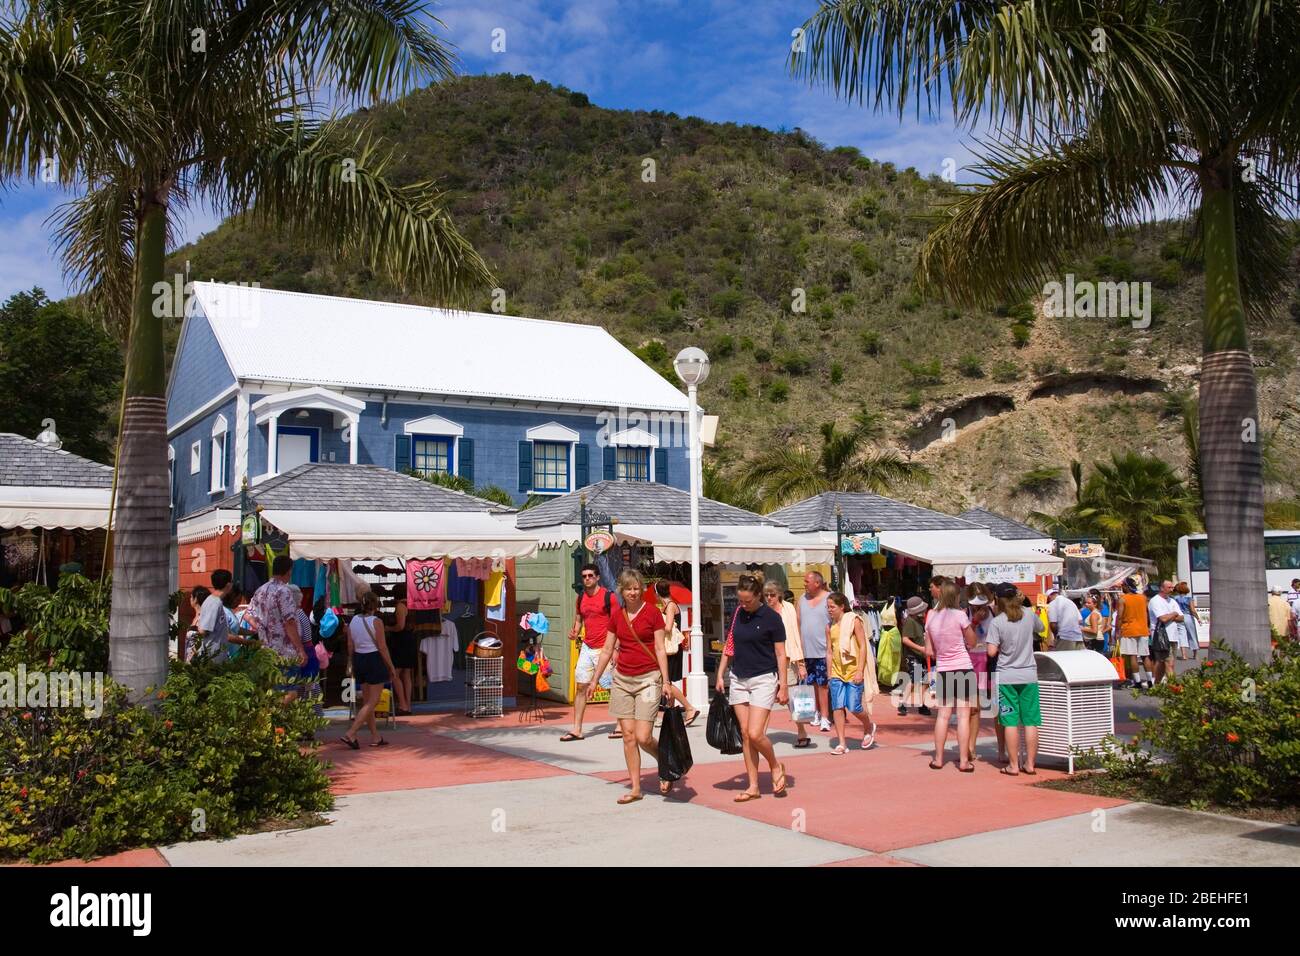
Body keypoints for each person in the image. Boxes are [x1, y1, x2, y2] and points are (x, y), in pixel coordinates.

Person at [588, 570, 674, 802]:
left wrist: (666, 681)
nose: (633, 592)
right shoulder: (617, 615)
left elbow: (659, 648)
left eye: (636, 588)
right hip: (623, 679)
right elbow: (607, 649)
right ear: (622, 591)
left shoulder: (653, 613)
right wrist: (595, 679)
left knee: (643, 736)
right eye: (629, 589)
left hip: (648, 678)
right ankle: (636, 788)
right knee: (628, 736)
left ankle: (665, 761)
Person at [716, 573, 789, 801]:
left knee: (757, 733)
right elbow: (730, 644)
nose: (743, 604)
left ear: (759, 596)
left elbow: (780, 653)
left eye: (748, 601)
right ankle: (753, 786)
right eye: (740, 600)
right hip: (738, 678)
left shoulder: (772, 618)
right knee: (746, 735)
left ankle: (775, 766)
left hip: (764, 678)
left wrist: (783, 685)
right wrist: (720, 674)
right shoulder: (738, 613)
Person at [986, 583, 1046, 775]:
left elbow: (991, 651)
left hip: (1006, 676)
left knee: (1010, 721)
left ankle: (1013, 765)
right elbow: (1042, 627)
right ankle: (1030, 763)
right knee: (1030, 721)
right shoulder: (1029, 614)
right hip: (1029, 674)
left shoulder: (997, 622)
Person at [924, 581, 979, 772]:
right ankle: (964, 761)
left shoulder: (931, 616)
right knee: (963, 716)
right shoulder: (960, 615)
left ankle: (938, 759)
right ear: (955, 596)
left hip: (943, 668)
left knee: (943, 715)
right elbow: (972, 641)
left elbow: (929, 650)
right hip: (963, 667)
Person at [562, 563, 618, 742]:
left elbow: (618, 624)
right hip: (587, 647)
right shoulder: (580, 598)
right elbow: (579, 620)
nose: (587, 579)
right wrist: (574, 632)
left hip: (606, 647)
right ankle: (577, 729)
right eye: (584, 576)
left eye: (590, 575)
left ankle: (620, 724)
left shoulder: (609, 597)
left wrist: (616, 649)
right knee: (581, 687)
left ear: (598, 577)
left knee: (612, 687)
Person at [339, 589, 397, 749]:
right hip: (374, 659)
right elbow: (383, 647)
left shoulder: (353, 621)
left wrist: (351, 661)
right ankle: (351, 733)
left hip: (359, 659)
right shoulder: (376, 622)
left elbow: (350, 644)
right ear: (375, 605)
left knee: (366, 701)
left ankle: (375, 736)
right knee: (373, 701)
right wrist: (391, 666)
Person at [247, 555, 308, 705]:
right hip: (285, 652)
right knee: (291, 691)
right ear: (288, 571)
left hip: (267, 651)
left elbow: (248, 615)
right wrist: (301, 650)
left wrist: (263, 627)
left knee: (274, 690)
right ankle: (272, 715)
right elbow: (289, 622)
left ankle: (273, 722)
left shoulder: (261, 590)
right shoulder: (284, 591)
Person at [825, 592, 875, 753]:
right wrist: (829, 673)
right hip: (836, 672)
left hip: (853, 670)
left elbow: (863, 646)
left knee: (854, 706)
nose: (829, 610)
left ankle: (868, 726)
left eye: (832, 607)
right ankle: (841, 743)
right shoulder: (829, 626)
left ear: (842, 607)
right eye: (828, 607)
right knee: (837, 707)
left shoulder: (854, 621)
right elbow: (829, 651)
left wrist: (860, 670)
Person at [764, 580, 811, 747]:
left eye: (772, 595)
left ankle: (801, 730)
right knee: (765, 698)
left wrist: (801, 663)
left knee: (792, 698)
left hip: (788, 658)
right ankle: (760, 734)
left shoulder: (788, 609)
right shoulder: (762, 613)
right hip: (768, 660)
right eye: (766, 595)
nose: (769, 598)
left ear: (779, 595)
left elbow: (795, 634)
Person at [654, 581, 699, 726]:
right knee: (668, 682)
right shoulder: (669, 605)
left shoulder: (670, 606)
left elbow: (667, 627)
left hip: (671, 649)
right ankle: (670, 714)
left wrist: (654, 625)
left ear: (657, 593)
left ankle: (689, 708)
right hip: (670, 648)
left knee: (668, 683)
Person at [796, 571, 832, 732]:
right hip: (806, 651)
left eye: (806, 581)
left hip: (824, 651)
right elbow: (797, 623)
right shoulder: (802, 600)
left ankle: (825, 717)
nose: (804, 584)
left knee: (823, 685)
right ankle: (815, 712)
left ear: (817, 583)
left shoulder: (829, 599)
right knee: (811, 684)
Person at [964, 589, 994, 766]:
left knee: (977, 707)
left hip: (986, 660)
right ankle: (966, 746)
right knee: (968, 707)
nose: (977, 608)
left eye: (980, 605)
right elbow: (966, 639)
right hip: (969, 660)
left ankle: (972, 746)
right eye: (974, 606)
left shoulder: (993, 613)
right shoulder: (965, 615)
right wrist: (974, 622)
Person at [1114, 578, 1152, 689]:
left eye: (1123, 586)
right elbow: (1147, 613)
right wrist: (1147, 626)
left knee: (1132, 656)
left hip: (1129, 630)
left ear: (1126, 586)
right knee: (1145, 656)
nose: (1122, 588)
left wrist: (1117, 630)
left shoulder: (1123, 599)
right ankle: (1150, 681)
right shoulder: (1143, 598)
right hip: (1143, 629)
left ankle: (1138, 682)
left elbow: (1120, 616)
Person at [898, 595, 931, 717]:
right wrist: (920, 648)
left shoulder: (919, 621)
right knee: (915, 679)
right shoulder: (910, 621)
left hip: (921, 655)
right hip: (913, 655)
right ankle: (903, 703)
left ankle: (921, 704)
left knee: (925, 680)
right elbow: (905, 639)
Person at [1147, 580, 1184, 684]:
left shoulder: (1172, 601)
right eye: (1169, 587)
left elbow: (1181, 618)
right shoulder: (1155, 601)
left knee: (1163, 663)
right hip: (1161, 636)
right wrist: (1174, 613)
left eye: (1172, 587)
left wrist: (1171, 615)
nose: (1172, 589)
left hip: (1173, 635)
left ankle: (1156, 685)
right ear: (1162, 588)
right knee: (1168, 663)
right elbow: (1162, 619)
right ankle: (1174, 687)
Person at [387, 583, 417, 714]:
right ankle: (408, 705)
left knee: (394, 674)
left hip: (401, 641)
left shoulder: (400, 606)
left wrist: (388, 628)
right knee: (406, 674)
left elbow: (400, 626)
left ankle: (403, 704)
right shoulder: (412, 605)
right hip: (410, 640)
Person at [192, 568, 233, 661]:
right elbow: (202, 630)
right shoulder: (214, 603)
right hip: (212, 658)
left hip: (215, 657)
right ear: (228, 585)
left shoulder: (214, 600)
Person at [1046, 586, 1085, 650]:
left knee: (1063, 658)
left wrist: (1056, 635)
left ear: (1049, 596)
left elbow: (1053, 624)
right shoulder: (1070, 602)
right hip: (1078, 637)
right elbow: (1080, 620)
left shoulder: (1053, 604)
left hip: (1065, 637)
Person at [1173, 582, 1199, 659]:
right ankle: (1195, 654)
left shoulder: (1175, 599)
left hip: (1179, 617)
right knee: (1192, 635)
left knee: (1182, 635)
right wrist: (1198, 618)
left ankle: (1184, 655)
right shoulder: (1189, 598)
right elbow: (1192, 610)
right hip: (1188, 617)